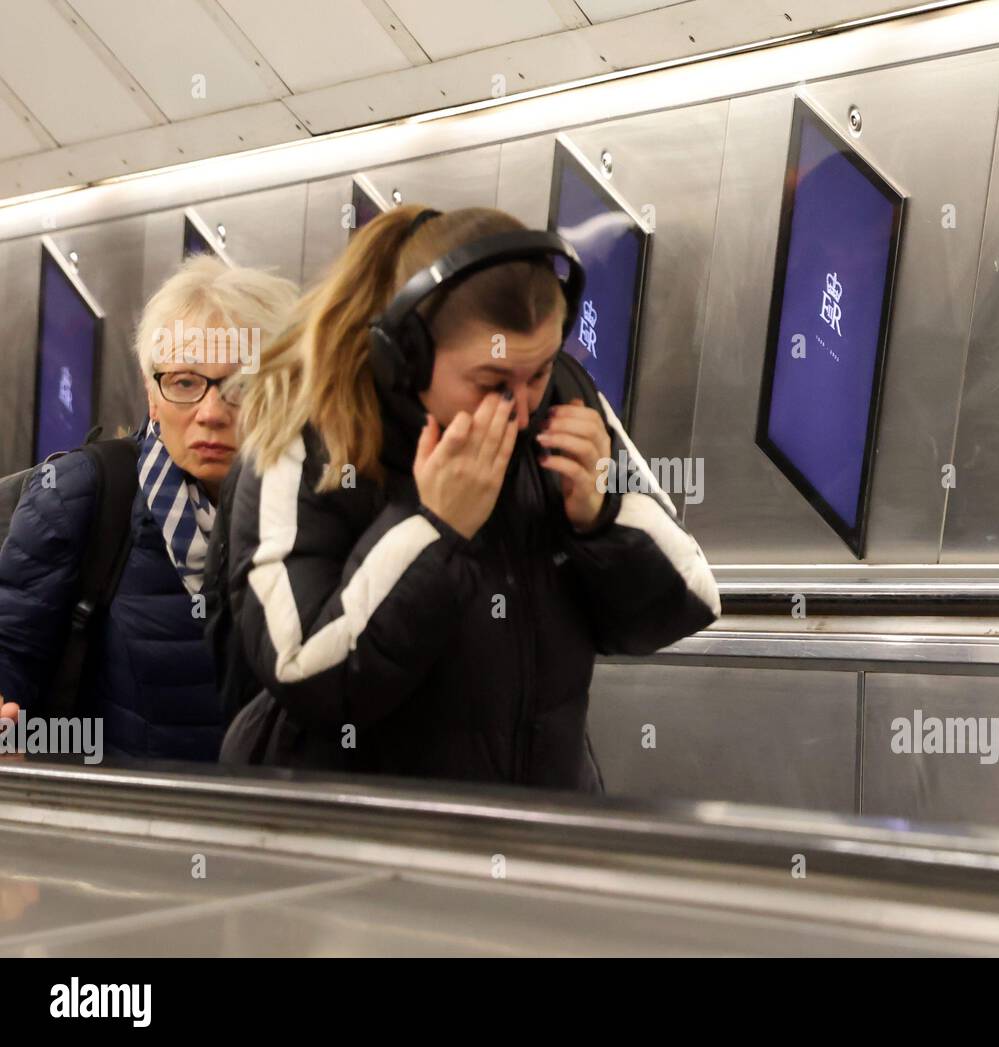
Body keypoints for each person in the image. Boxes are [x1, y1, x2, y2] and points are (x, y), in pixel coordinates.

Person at [224, 205, 720, 788]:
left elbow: (689, 598)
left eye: (538, 371)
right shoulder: (308, 434)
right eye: (491, 382)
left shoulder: (566, 398)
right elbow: (304, 669)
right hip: (362, 836)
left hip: (536, 819)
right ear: (405, 356)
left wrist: (601, 514)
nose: (522, 406)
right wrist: (433, 530)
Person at [0, 256, 298, 760]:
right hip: (115, 822)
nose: (210, 414)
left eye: (240, 388)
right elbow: (11, 645)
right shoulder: (85, 494)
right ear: (152, 396)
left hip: (269, 825)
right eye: (184, 383)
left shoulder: (317, 516)